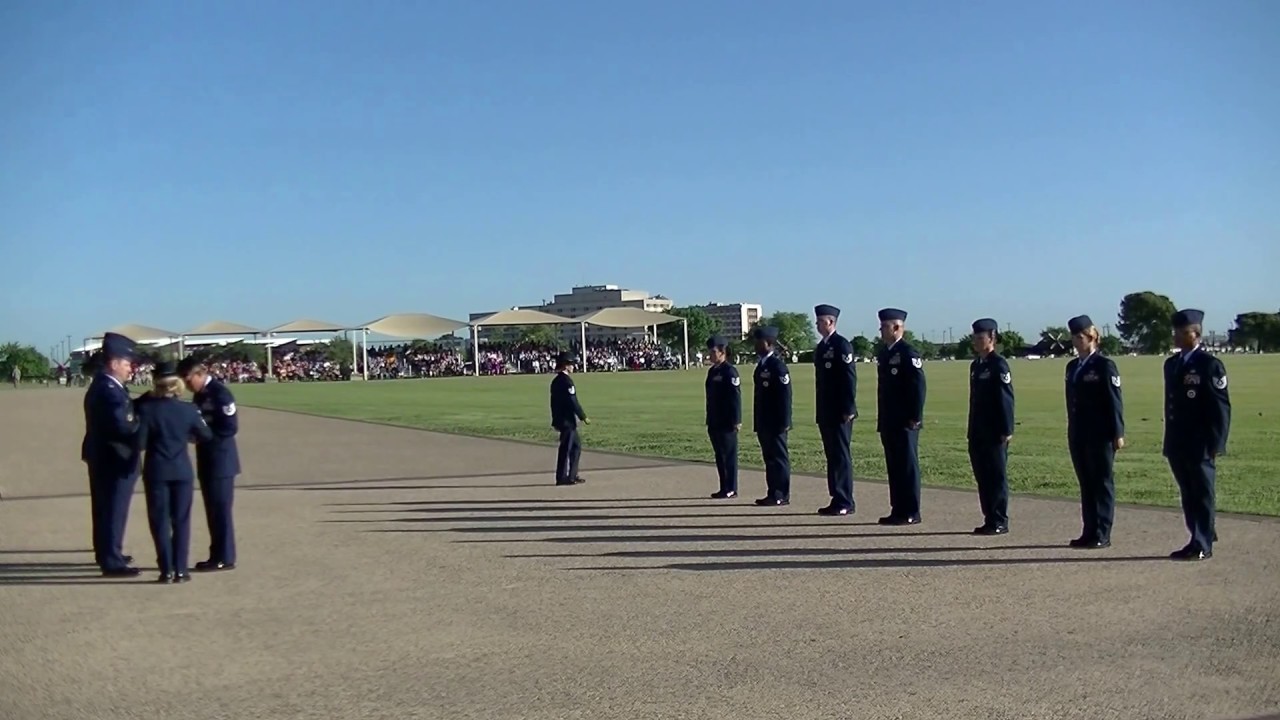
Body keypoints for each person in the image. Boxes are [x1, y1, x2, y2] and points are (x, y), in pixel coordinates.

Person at [135, 361, 212, 583]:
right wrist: (186, 436)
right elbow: (206, 435)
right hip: (181, 469)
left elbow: (140, 443)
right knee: (181, 520)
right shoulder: (188, 410)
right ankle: (180, 569)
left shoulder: (147, 410)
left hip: (157, 469)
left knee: (160, 521)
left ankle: (166, 569)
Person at [1163, 309, 1230, 561]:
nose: (1176, 337)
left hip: (1200, 441)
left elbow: (1220, 407)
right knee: (1188, 492)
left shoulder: (1209, 365)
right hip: (1178, 440)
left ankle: (1202, 543)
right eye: (1175, 332)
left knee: (1202, 492)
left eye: (1181, 333)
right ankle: (1198, 535)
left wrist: (1217, 442)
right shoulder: (1172, 364)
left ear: (1195, 334)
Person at [80, 333, 141, 577]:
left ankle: (107, 550)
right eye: (127, 363)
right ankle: (112, 560)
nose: (130, 368)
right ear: (113, 363)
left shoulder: (107, 386)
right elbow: (123, 426)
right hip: (114, 457)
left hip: (104, 455)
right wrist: (144, 427)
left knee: (105, 508)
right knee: (114, 508)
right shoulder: (109, 390)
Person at [1064, 315, 1125, 549]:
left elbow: (1114, 400)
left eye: (1080, 337)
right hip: (1079, 433)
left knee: (1101, 483)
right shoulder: (1072, 367)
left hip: (1100, 434)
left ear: (1092, 337)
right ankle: (1088, 530)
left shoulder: (1104, 366)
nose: (1076, 342)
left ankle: (1102, 532)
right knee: (1086, 484)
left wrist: (1117, 432)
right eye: (1074, 337)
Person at [178, 356, 241, 571]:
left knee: (220, 510)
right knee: (213, 510)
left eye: (188, 380)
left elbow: (229, 427)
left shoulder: (219, 394)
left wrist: (204, 436)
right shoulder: (200, 396)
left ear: (199, 374)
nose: (186, 385)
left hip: (221, 460)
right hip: (207, 459)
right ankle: (217, 554)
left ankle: (224, 556)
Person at [875, 307, 926, 525]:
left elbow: (917, 387)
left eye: (885, 326)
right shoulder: (886, 353)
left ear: (897, 328)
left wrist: (915, 416)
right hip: (889, 419)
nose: (881, 330)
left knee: (907, 466)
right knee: (894, 466)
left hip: (906, 420)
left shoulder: (908, 353)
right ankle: (898, 508)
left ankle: (911, 511)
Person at [967, 318, 1015, 535]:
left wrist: (1006, 429)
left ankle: (999, 519)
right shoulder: (976, 365)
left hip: (995, 431)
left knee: (996, 477)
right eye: (974, 338)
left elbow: (1006, 399)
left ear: (992, 339)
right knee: (983, 477)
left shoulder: (998, 365)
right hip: (978, 431)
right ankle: (989, 517)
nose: (976, 342)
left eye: (980, 338)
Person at [812, 304, 857, 516]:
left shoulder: (842, 345)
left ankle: (845, 499)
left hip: (840, 411)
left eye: (820, 321)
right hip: (826, 410)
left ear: (830, 322)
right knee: (832, 456)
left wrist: (848, 407)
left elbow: (848, 379)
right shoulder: (822, 347)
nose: (817, 324)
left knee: (840, 455)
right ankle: (836, 496)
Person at [751, 326, 793, 506]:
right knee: (769, 458)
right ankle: (772, 491)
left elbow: (785, 396)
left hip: (776, 421)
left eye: (759, 342)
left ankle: (781, 493)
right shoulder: (762, 365)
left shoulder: (777, 366)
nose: (756, 346)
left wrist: (785, 421)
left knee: (778, 458)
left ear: (768, 343)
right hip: (764, 421)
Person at [704, 336, 742, 499]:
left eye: (714, 352)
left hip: (727, 421)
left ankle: (731, 487)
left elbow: (735, 397)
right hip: (714, 419)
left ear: (722, 352)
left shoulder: (729, 371)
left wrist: (736, 419)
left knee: (728, 455)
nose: (711, 355)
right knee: (720, 455)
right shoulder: (713, 371)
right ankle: (723, 486)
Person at [550, 352, 588, 486]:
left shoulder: (556, 381)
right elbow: (572, 401)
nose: (573, 367)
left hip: (561, 418)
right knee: (566, 448)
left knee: (576, 446)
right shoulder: (566, 381)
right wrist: (583, 416)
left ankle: (572, 474)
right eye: (571, 364)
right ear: (566, 366)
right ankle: (562, 477)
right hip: (567, 420)